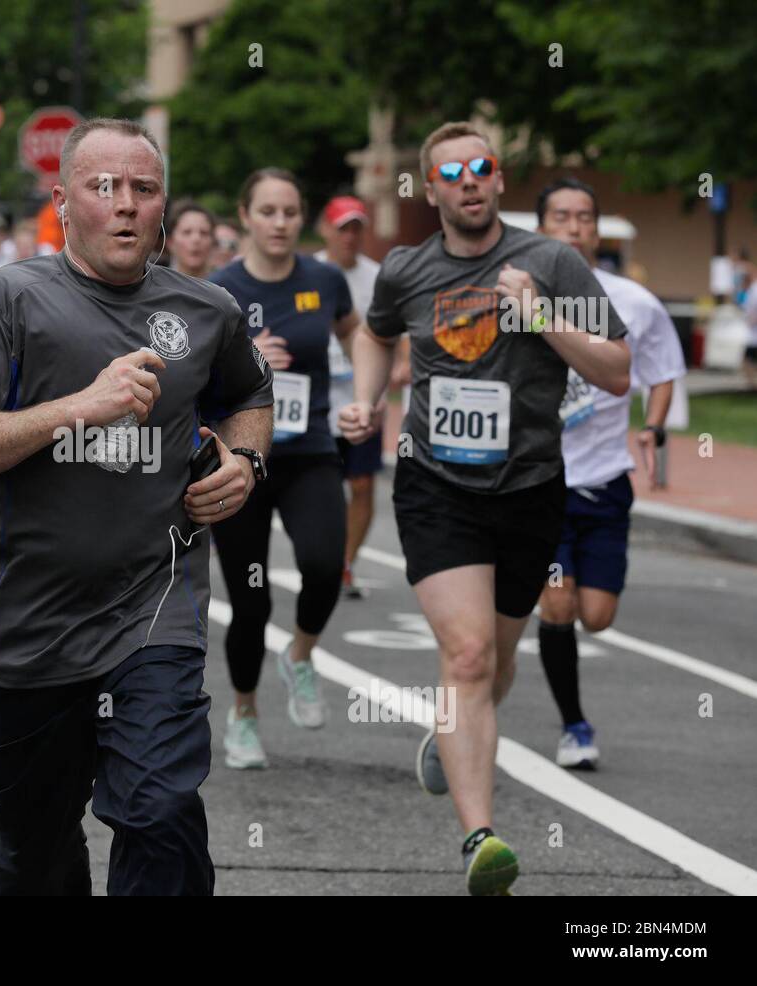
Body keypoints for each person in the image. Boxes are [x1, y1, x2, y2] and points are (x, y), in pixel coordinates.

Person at [0, 118, 274, 895]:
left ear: (163, 207)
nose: (125, 206)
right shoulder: (4, 301)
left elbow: (250, 390)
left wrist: (245, 461)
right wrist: (80, 405)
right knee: (35, 849)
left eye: (143, 190)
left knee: (161, 810)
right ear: (63, 201)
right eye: (103, 187)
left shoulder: (206, 309)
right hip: (26, 627)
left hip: (153, 608)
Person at [338, 121, 630, 895]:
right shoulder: (406, 268)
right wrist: (366, 400)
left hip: (531, 487)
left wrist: (544, 318)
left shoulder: (552, 261)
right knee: (466, 657)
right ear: (430, 190)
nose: (469, 181)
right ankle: (481, 838)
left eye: (482, 168)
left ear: (499, 181)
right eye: (452, 173)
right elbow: (374, 334)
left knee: (496, 663)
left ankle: (453, 732)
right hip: (435, 484)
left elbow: (618, 370)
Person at [208, 170, 357, 770]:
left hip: (310, 449)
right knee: (251, 600)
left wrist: (365, 396)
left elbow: (360, 334)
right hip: (239, 458)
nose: (279, 222)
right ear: (245, 215)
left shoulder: (325, 280)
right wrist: (246, 358)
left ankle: (300, 654)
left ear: (303, 219)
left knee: (325, 566)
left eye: (290, 212)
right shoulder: (219, 289)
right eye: (267, 211)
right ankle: (243, 711)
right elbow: (192, 378)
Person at [536, 177, 686, 769]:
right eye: (562, 217)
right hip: (541, 482)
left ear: (598, 229)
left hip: (605, 483)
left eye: (585, 218)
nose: (575, 228)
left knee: (596, 617)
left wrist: (654, 425)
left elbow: (664, 369)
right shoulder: (523, 300)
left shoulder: (635, 301)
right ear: (542, 228)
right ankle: (574, 726)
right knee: (558, 606)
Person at [315, 196, 387, 599]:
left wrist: (381, 388)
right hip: (318, 404)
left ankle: (346, 563)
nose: (351, 236)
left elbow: (396, 339)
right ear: (326, 230)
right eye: (343, 228)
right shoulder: (310, 273)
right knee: (322, 488)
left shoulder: (377, 278)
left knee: (361, 485)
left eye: (357, 228)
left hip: (362, 399)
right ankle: (324, 557)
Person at [167, 200, 216, 278]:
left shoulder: (225, 285)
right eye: (187, 232)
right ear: (170, 242)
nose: (196, 239)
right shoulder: (153, 284)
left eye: (204, 233)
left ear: (213, 241)